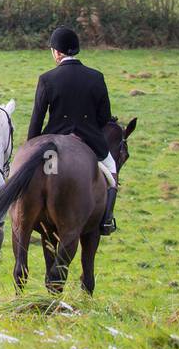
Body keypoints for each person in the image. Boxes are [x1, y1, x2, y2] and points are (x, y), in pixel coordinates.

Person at [28, 26, 119, 234]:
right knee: (111, 172)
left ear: (57, 52)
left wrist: (31, 146)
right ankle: (106, 219)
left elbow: (36, 120)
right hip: (89, 142)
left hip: (54, 143)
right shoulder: (96, 77)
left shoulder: (47, 79)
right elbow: (105, 118)